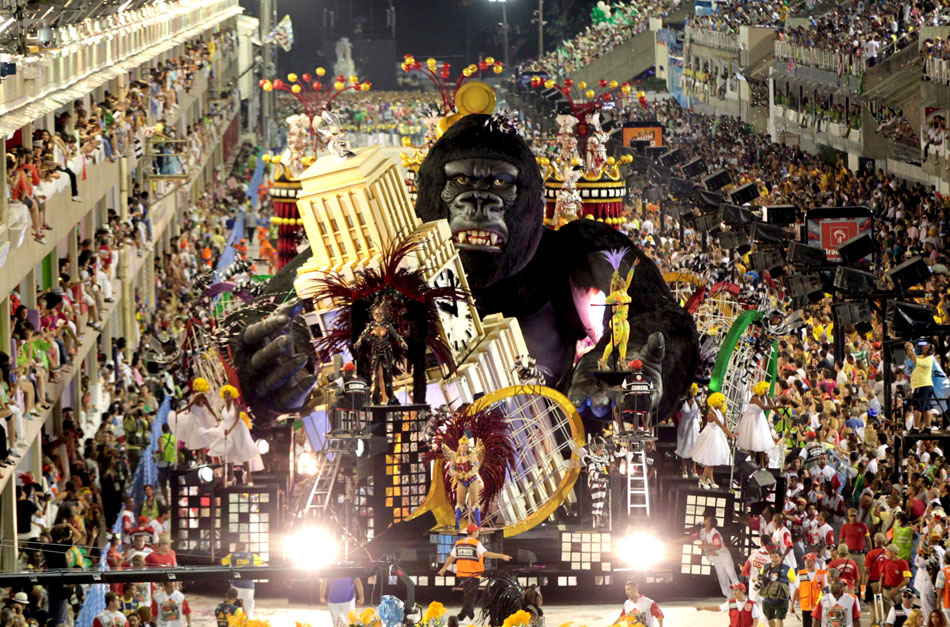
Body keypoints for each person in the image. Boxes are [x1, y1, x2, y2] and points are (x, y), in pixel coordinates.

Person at [437, 523, 512, 621]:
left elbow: (451, 558)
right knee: (471, 596)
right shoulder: (476, 543)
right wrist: (501, 556)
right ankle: (462, 615)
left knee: (468, 595)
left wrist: (443, 568)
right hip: (473, 574)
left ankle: (470, 612)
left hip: (462, 573)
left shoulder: (459, 543)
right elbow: (486, 554)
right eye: (477, 531)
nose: (478, 533)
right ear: (474, 532)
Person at [689, 392, 735, 489]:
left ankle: (711, 479)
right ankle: (702, 479)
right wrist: (730, 434)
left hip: (717, 435)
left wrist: (725, 417)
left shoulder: (720, 411)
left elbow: (725, 425)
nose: (723, 403)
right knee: (710, 460)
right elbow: (721, 426)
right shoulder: (711, 412)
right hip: (710, 435)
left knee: (713, 459)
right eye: (721, 402)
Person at [737, 381, 781, 468]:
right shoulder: (754, 398)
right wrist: (777, 406)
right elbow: (764, 407)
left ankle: (762, 464)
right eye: (766, 389)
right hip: (751, 419)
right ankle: (752, 461)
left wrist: (780, 415)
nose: (767, 391)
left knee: (761, 442)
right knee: (751, 441)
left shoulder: (767, 398)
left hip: (760, 419)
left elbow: (773, 407)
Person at [697, 515, 739, 597]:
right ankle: (729, 595)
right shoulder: (705, 532)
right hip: (717, 557)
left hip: (724, 556)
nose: (705, 520)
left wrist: (704, 546)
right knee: (722, 578)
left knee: (731, 574)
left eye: (707, 519)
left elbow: (718, 546)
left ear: (709, 523)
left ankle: (739, 593)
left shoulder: (714, 533)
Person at [220, 542, 264, 616]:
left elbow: (222, 562)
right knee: (248, 609)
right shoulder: (252, 556)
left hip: (236, 585)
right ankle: (247, 622)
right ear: (245, 548)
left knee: (232, 606)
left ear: (236, 547)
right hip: (249, 586)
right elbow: (262, 562)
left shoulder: (232, 556)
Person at [756, 549, 797, 627]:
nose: (773, 559)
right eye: (772, 557)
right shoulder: (765, 567)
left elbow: (794, 581)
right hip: (767, 599)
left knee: (779, 618)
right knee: (769, 618)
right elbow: (759, 577)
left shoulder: (787, 568)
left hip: (781, 599)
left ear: (781, 557)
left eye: (776, 557)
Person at [696, 582, 762, 627]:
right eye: (733, 590)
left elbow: (756, 620)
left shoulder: (751, 604)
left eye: (736, 590)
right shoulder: (731, 603)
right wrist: (703, 608)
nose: (734, 592)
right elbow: (718, 608)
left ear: (742, 591)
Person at [906, 342, 936, 430]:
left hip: (922, 385)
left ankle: (915, 427)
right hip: (924, 385)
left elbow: (915, 360)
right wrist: (908, 349)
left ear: (930, 351)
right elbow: (911, 357)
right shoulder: (923, 357)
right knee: (926, 407)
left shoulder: (928, 359)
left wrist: (912, 349)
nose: (923, 349)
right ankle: (928, 427)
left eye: (926, 348)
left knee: (917, 407)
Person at [791, 553, 826, 627]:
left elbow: (827, 589)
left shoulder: (822, 574)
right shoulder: (801, 574)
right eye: (805, 560)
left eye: (809, 560)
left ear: (814, 561)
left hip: (819, 606)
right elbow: (797, 590)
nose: (807, 562)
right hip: (806, 606)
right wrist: (792, 604)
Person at [675, 383, 701, 478]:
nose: (691, 392)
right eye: (690, 391)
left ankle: (693, 468)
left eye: (693, 390)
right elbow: (675, 410)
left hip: (694, 426)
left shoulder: (697, 401)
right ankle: (684, 468)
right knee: (684, 446)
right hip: (684, 425)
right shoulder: (682, 402)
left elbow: (703, 412)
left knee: (694, 446)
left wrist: (701, 406)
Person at [882, 543, 913, 614]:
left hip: (898, 592)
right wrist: (880, 590)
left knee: (898, 612)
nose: (886, 553)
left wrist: (895, 589)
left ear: (893, 553)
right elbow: (882, 576)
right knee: (889, 613)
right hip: (887, 591)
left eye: (887, 551)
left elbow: (907, 580)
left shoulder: (903, 563)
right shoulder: (886, 562)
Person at [839, 508, 870, 578]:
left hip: (861, 554)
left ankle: (862, 589)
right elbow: (841, 541)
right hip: (850, 554)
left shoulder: (863, 525)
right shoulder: (844, 527)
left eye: (854, 516)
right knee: (850, 574)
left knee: (862, 575)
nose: (853, 518)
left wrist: (870, 553)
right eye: (851, 516)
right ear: (848, 516)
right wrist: (840, 553)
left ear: (857, 516)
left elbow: (868, 539)